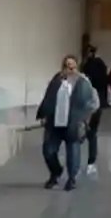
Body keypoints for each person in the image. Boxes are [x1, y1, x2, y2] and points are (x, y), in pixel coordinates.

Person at [36, 55, 100, 191]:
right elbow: (48, 98)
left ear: (76, 67)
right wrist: (43, 114)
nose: (69, 68)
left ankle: (72, 178)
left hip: (73, 123)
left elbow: (94, 102)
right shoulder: (56, 80)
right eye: (66, 65)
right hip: (55, 122)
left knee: (73, 152)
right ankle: (56, 172)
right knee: (48, 150)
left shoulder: (83, 82)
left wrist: (84, 118)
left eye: (72, 66)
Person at [80, 46, 109, 175]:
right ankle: (91, 162)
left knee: (85, 132)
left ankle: (85, 161)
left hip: (89, 102)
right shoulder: (100, 65)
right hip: (97, 103)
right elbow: (105, 81)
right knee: (92, 133)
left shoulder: (87, 66)